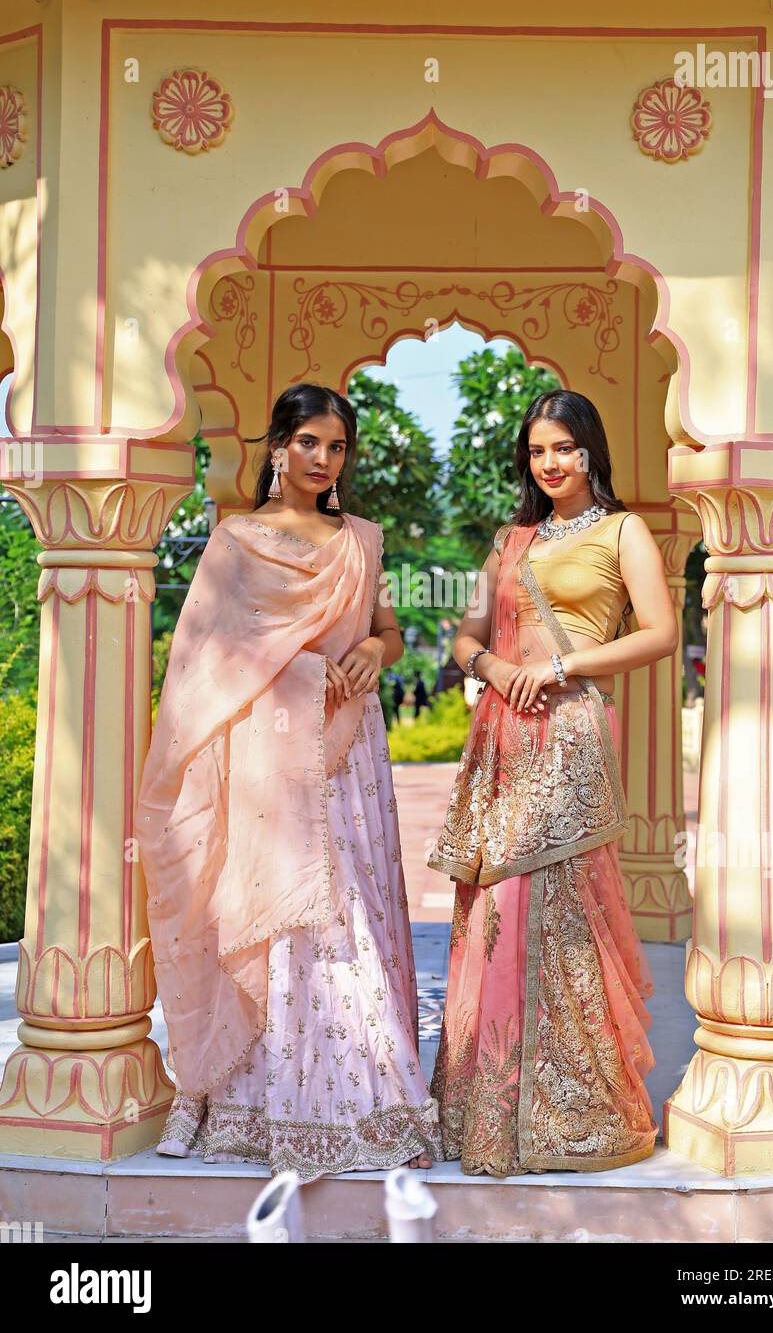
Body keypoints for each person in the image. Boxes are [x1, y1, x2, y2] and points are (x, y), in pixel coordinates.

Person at [134, 383, 443, 1180]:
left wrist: (379, 652)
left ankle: (368, 1103)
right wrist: (300, 668)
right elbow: (205, 660)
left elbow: (387, 630)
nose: (322, 459)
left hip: (347, 756)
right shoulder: (236, 541)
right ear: (277, 447)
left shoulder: (360, 539)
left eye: (336, 447)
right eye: (308, 442)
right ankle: (259, 1106)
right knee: (278, 919)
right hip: (270, 760)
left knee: (350, 920)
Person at [427, 389, 679, 1177]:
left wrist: (561, 664)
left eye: (565, 448)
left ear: (591, 450)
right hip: (503, 732)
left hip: (569, 734)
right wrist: (496, 666)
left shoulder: (623, 530)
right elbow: (467, 634)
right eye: (538, 451)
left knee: (565, 909)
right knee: (495, 911)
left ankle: (579, 1110)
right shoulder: (512, 541)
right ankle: (489, 1111)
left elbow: (662, 633)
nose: (551, 463)